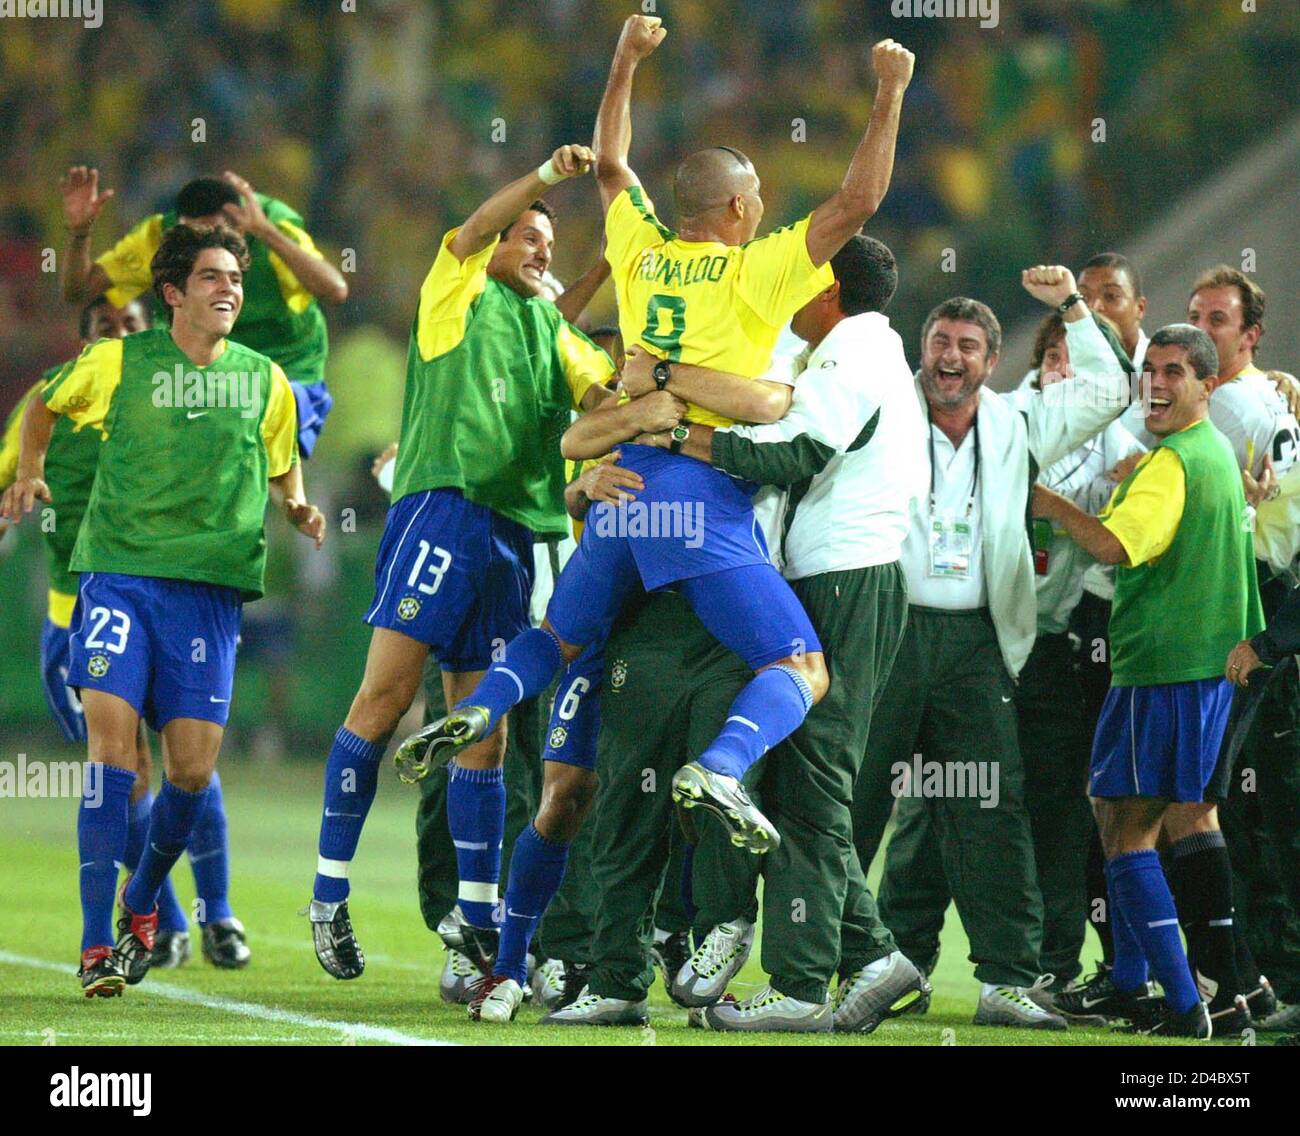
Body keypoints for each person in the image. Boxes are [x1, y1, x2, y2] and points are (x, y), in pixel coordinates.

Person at [399, 23, 916, 1025]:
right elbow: (856, 201)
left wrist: (627, 61)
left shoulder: (638, 253)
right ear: (737, 207)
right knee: (800, 667)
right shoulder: (757, 270)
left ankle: (479, 706)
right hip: (695, 495)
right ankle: (721, 769)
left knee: (557, 635)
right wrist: (889, 90)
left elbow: (612, 162)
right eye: (757, 196)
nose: (764, 205)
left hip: (619, 485)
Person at [304, 143, 630, 983]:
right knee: (382, 700)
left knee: (478, 734)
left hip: (515, 537)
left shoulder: (555, 334)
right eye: (525, 237)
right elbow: (476, 227)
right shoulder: (456, 292)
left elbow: (603, 401)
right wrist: (552, 179)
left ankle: (477, 917)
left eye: (547, 244)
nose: (539, 250)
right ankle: (329, 894)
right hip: (442, 512)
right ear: (491, 244)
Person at [606, 235, 933, 1032]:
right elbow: (759, 381)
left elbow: (790, 451)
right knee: (796, 784)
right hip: (836, 576)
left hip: (845, 581)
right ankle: (877, 957)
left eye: (797, 277)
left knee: (815, 785)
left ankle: (800, 984)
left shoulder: (850, 359)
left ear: (826, 287)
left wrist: (672, 432)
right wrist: (667, 377)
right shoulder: (845, 347)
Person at [1, 224, 325, 997]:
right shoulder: (117, 361)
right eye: (212, 277)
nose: (229, 290)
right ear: (173, 293)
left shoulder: (267, 381)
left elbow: (284, 464)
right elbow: (44, 407)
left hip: (209, 595)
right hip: (118, 580)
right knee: (112, 759)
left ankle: (141, 901)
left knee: (192, 771)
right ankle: (91, 947)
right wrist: (31, 473)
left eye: (236, 279)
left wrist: (300, 506)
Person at [853, 268, 1129, 1030]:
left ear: (991, 361)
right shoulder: (881, 409)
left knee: (991, 804)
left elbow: (1110, 391)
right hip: (891, 628)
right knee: (859, 795)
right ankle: (845, 963)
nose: (951, 356)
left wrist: (1072, 306)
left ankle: (1007, 979)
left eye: (968, 346)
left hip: (977, 641)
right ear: (921, 349)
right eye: (940, 341)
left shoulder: (1017, 421)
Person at [0, 296, 252, 971]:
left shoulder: (180, 404)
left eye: (133, 328)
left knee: (189, 762)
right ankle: (162, 920)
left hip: (172, 600)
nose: (124, 338)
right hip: (80, 613)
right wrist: (19, 487)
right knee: (124, 768)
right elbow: (15, 461)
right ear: (86, 347)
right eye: (108, 330)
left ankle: (214, 910)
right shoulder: (52, 410)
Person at [1032, 323, 1263, 1039]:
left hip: (1164, 668)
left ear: (1207, 385)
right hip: (1204, 665)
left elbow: (1115, 543)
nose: (1156, 385)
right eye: (1151, 371)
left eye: (1174, 373)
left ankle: (1188, 1004)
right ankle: (1176, 987)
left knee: (1126, 826)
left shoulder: (1173, 464)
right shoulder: (1211, 454)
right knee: (1178, 816)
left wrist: (1041, 500)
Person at [58, 167, 348, 458]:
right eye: (192, 236)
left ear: (239, 225)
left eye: (215, 236)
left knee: (243, 439)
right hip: (198, 376)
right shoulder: (160, 237)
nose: (203, 248)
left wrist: (265, 232)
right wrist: (80, 232)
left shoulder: (272, 225)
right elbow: (79, 292)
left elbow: (335, 290)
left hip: (288, 373)